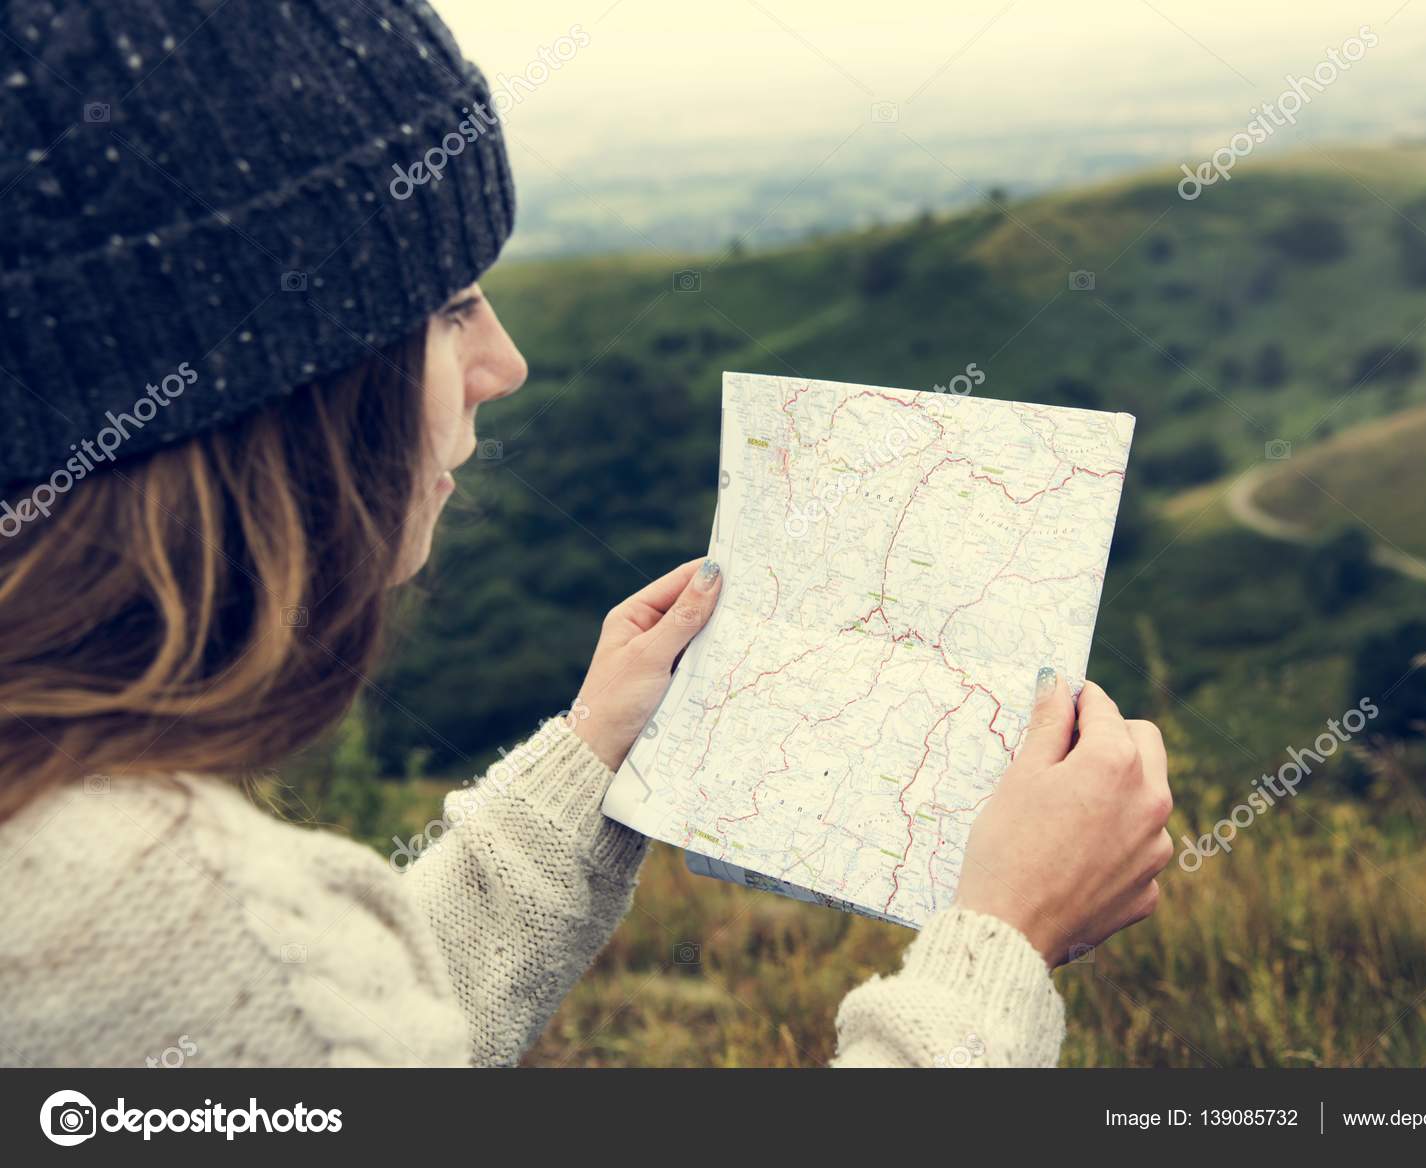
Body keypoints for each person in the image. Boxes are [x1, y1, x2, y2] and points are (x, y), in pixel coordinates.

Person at [0, 0, 1171, 1068]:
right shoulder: (160, 921)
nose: (504, 364)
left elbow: (343, 1030)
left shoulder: (87, 864)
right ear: (273, 386)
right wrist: (999, 948)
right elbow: (281, 1007)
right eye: (450, 307)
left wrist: (592, 757)